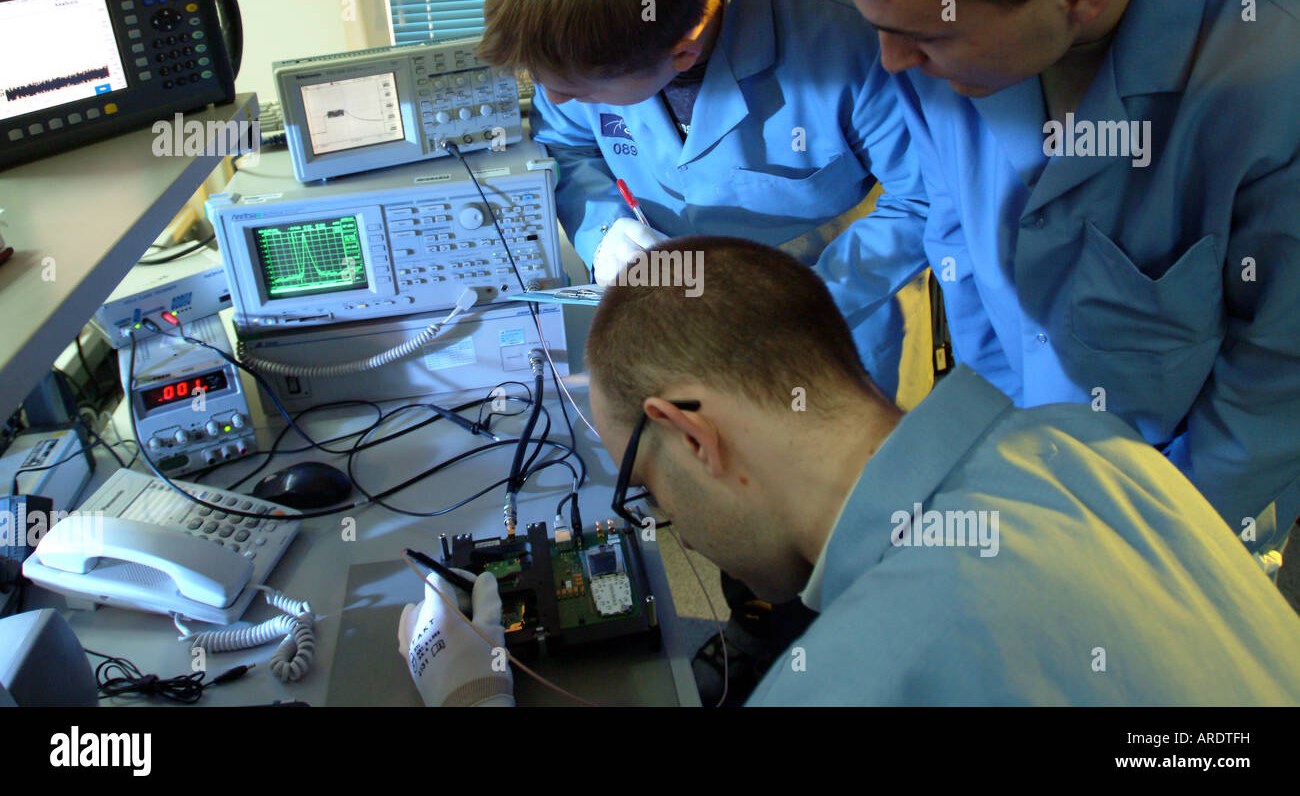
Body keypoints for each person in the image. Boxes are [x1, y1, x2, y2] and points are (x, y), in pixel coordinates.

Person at [400, 237, 1300, 705]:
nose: (662, 514)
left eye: (646, 487)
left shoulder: (850, 679)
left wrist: (474, 698)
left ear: (691, 437)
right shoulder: (1087, 444)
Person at [801, 0, 1300, 565]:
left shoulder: (1273, 37)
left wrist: (1147, 553)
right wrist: (1002, 458)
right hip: (1028, 453)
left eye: (928, 39)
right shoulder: (927, 14)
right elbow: (959, 244)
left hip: (1194, 503)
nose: (892, 64)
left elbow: (1280, 376)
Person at [475, 0, 929, 402]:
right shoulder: (596, 33)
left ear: (683, 56)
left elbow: (925, 200)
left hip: (840, 323)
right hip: (671, 324)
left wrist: (799, 308)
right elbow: (567, 144)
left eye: (578, 91)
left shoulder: (857, 30)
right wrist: (603, 232)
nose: (562, 101)